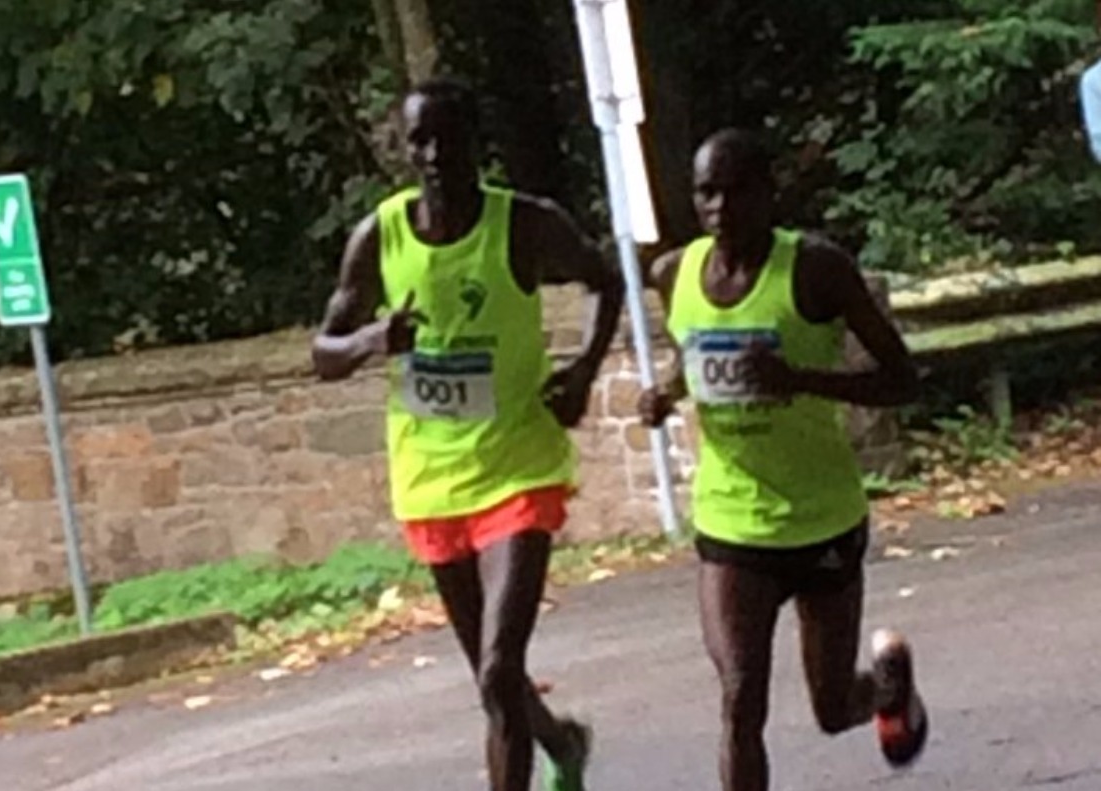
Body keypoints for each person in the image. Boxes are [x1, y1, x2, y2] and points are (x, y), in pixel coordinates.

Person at [312, 76, 626, 791]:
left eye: (448, 138)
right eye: (419, 140)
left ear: (475, 143)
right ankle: (561, 741)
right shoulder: (380, 236)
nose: (434, 155)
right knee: (493, 679)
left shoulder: (524, 224)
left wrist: (582, 370)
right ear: (403, 148)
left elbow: (603, 280)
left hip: (518, 468)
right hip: (430, 479)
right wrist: (370, 338)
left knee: (497, 667)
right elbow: (321, 353)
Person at [637, 129, 930, 791]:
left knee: (831, 708)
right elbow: (696, 351)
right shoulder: (674, 273)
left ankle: (886, 691)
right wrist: (667, 393)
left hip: (820, 516)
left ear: (769, 194)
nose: (719, 207)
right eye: (706, 193)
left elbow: (902, 380)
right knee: (740, 697)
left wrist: (799, 379)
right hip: (732, 521)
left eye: (736, 190)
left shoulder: (816, 268)